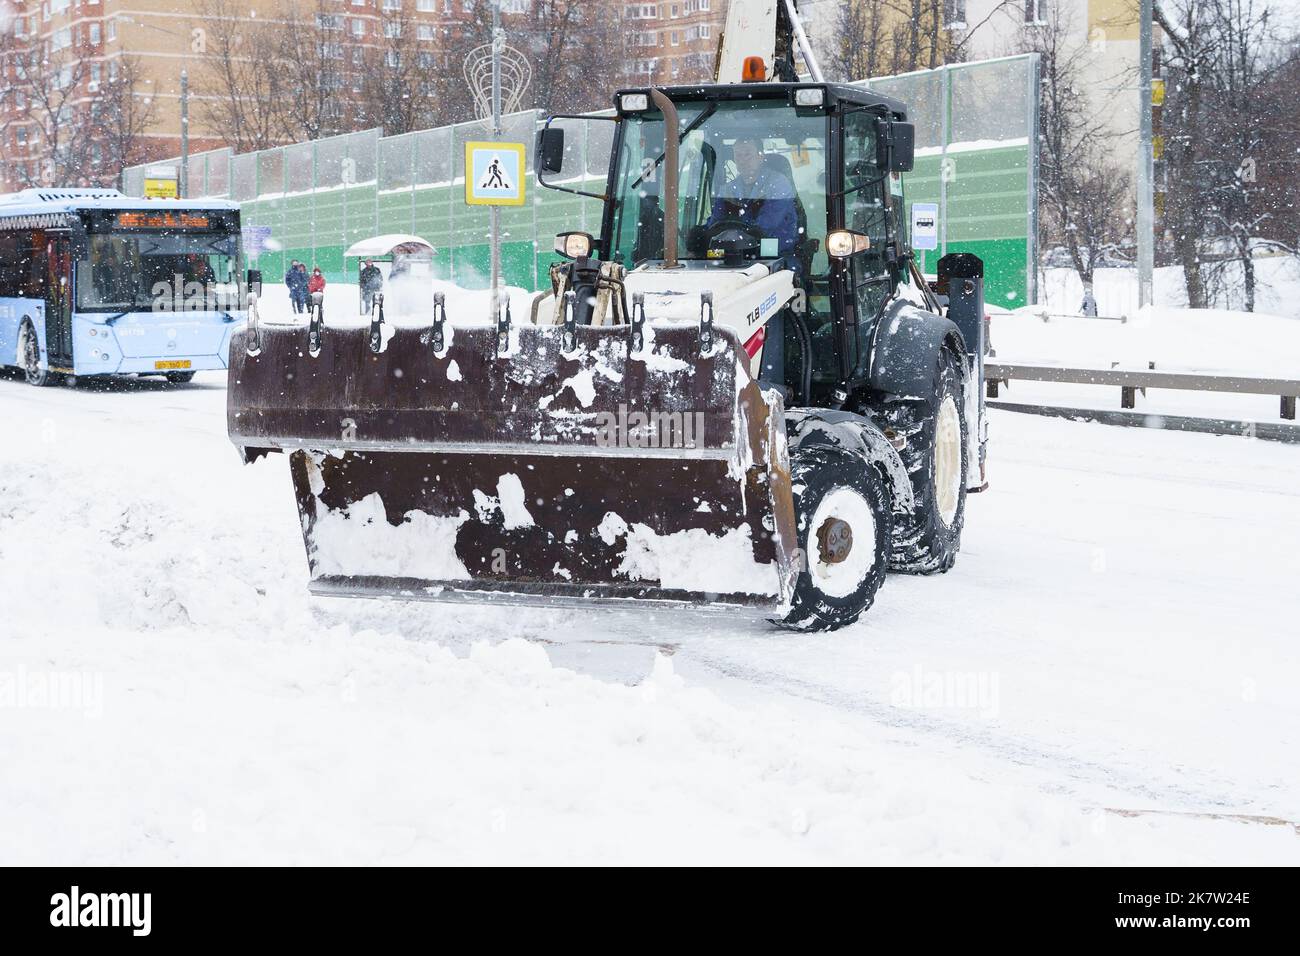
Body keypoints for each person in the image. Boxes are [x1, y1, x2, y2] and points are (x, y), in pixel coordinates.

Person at [704, 136, 800, 257]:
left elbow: (768, 224)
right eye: (738, 155)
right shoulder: (727, 190)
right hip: (735, 253)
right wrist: (702, 238)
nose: (742, 160)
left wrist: (738, 234)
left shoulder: (778, 183)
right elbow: (715, 223)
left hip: (776, 252)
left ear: (761, 157)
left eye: (747, 154)